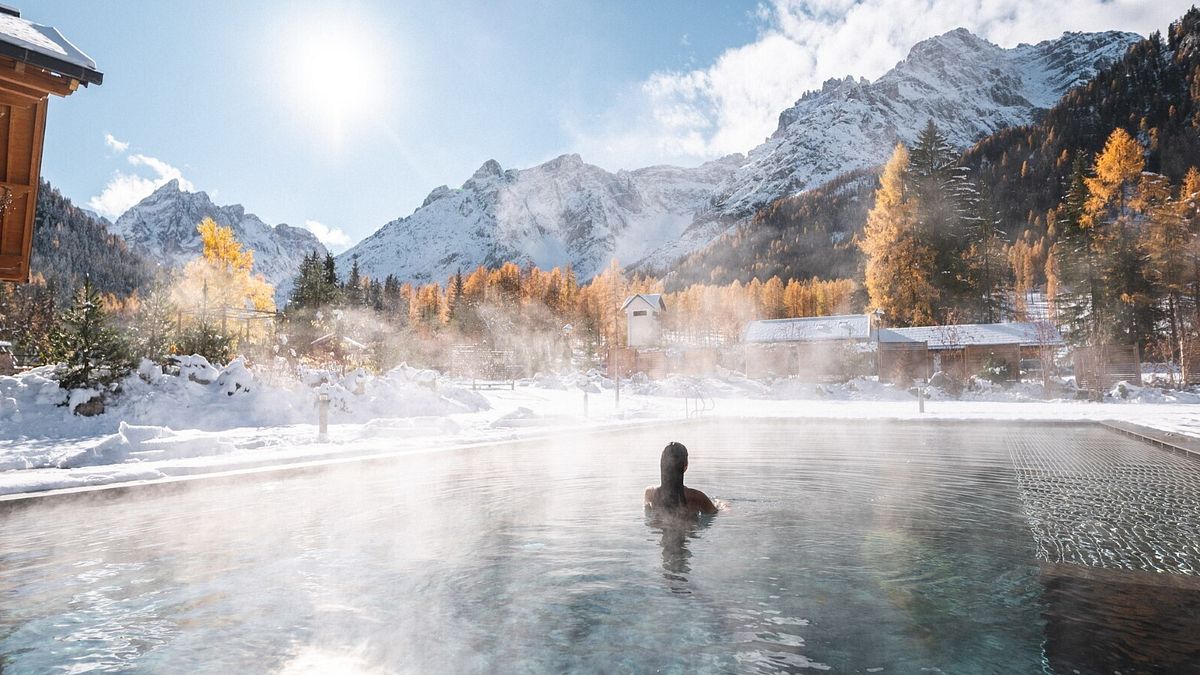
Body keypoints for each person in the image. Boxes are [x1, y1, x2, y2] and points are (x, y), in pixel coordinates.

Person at [644, 441, 718, 516]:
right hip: (689, 524)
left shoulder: (650, 493)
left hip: (659, 523)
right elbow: (715, 513)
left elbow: (648, 513)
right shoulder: (697, 497)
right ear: (685, 466)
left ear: (662, 465)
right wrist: (719, 504)